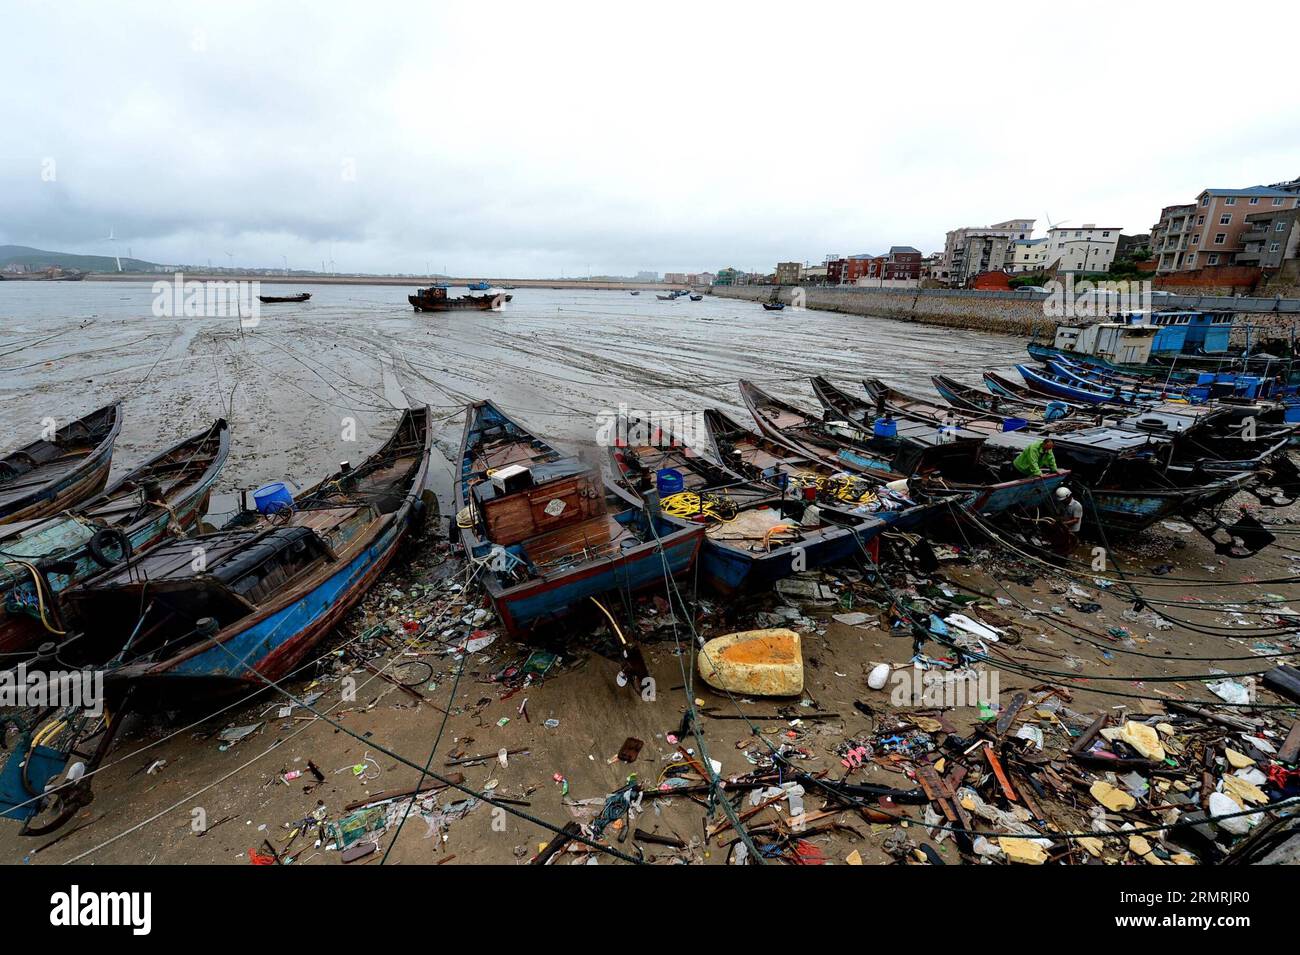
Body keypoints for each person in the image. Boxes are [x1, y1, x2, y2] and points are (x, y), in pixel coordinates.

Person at [1050, 485, 1084, 555]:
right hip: (1064, 528)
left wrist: (1063, 523)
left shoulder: (1077, 505)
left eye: (1064, 500)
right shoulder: (1062, 503)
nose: (1062, 501)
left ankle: (1065, 558)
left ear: (1069, 496)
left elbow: (1076, 520)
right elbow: (1060, 514)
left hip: (1072, 530)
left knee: (1069, 546)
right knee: (1061, 544)